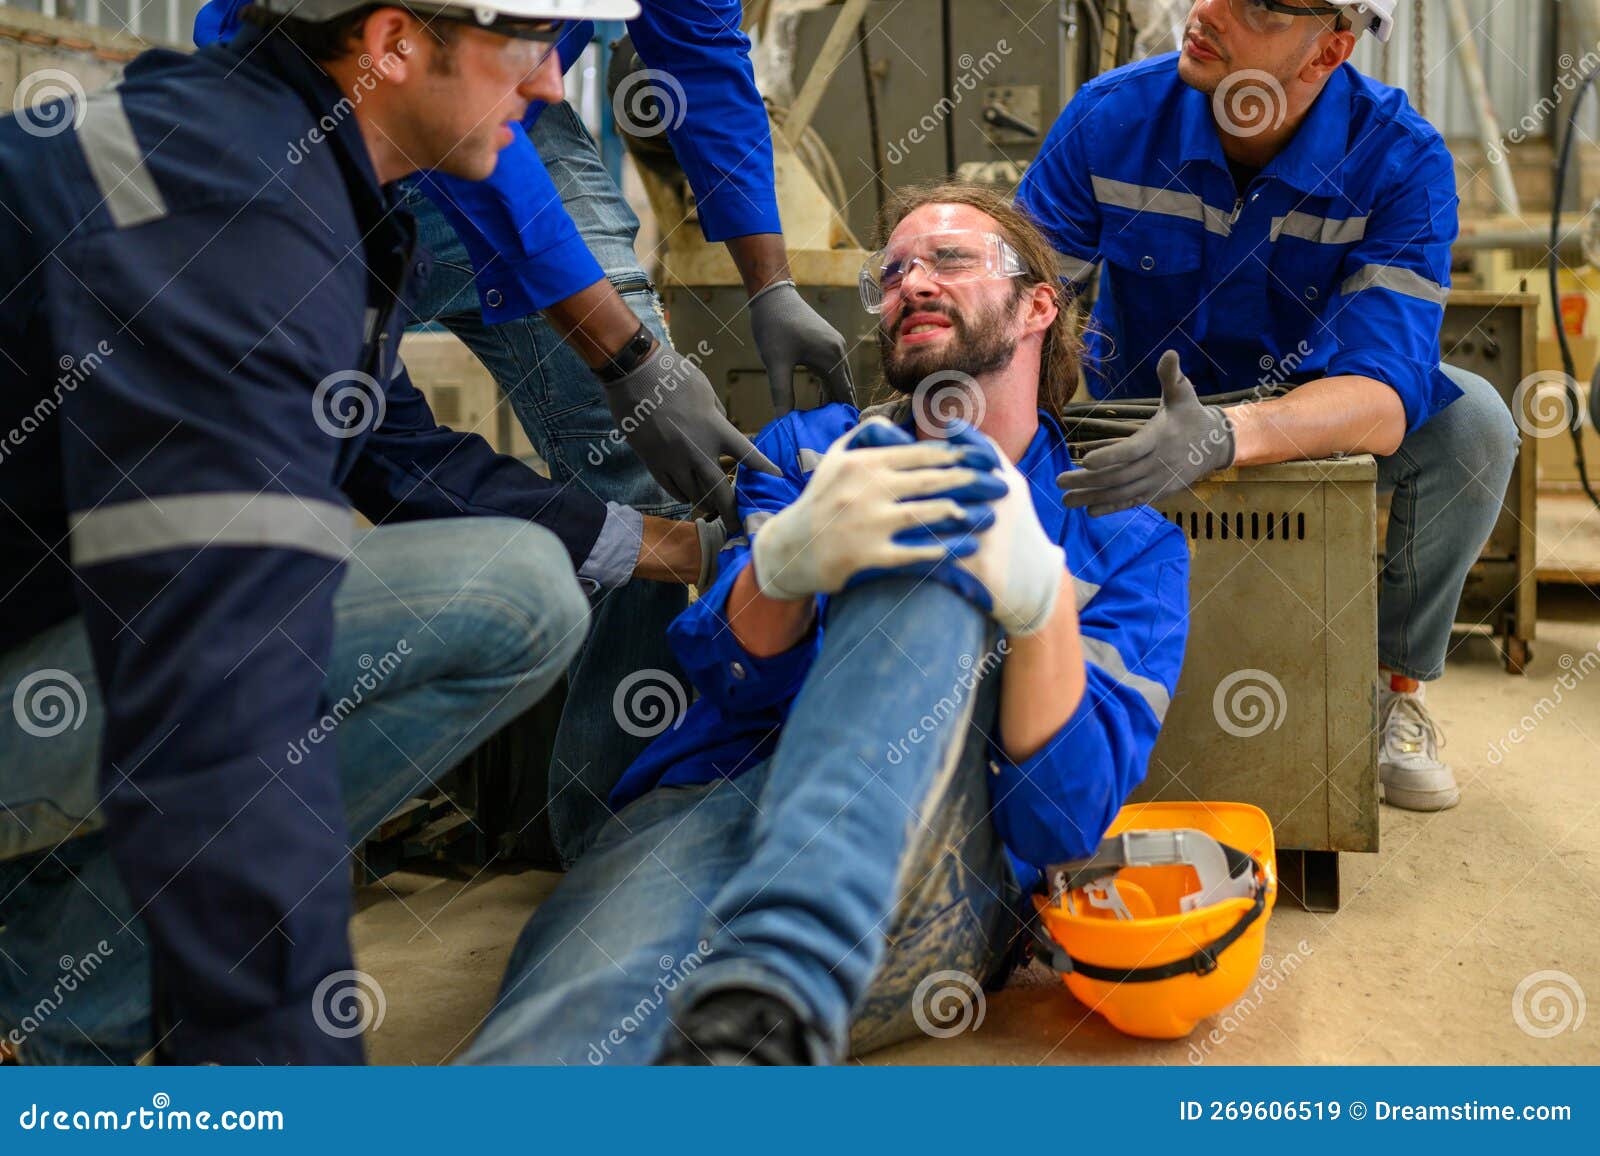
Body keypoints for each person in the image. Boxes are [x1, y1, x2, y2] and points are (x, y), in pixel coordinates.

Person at [0, 0, 723, 1064]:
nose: (546, 86)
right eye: (524, 47)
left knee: (511, 582)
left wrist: (694, 550)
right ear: (391, 42)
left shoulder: (266, 165)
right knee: (504, 604)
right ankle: (59, 1014)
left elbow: (404, 459)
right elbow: (217, 691)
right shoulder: (239, 218)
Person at [461, 184, 1190, 1065]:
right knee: (574, 1021)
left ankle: (789, 950)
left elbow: (1056, 824)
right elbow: (733, 676)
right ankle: (766, 992)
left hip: (940, 861)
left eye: (950, 260)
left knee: (926, 495)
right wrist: (787, 563)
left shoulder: (1127, 543)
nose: (913, 282)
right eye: (893, 272)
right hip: (717, 806)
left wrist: (1039, 611)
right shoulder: (813, 449)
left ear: (1040, 304)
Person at [193, 0, 857, 860]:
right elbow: (377, 453)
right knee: (471, 581)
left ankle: (608, 840)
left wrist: (769, 282)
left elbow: (696, 53)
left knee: (638, 463)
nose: (562, 77)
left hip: (462, 87)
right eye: (543, 45)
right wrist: (624, 357)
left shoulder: (501, 96)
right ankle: (213, 848)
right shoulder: (250, 211)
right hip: (391, 88)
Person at [1018, 0, 1519, 812]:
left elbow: (1386, 392)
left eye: (1255, 3)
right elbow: (1022, 315)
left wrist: (1230, 433)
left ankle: (1397, 687)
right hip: (1134, 414)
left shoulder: (1399, 160)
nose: (1206, 10)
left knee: (1475, 425)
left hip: (1306, 416)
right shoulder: (1111, 120)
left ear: (1327, 51)